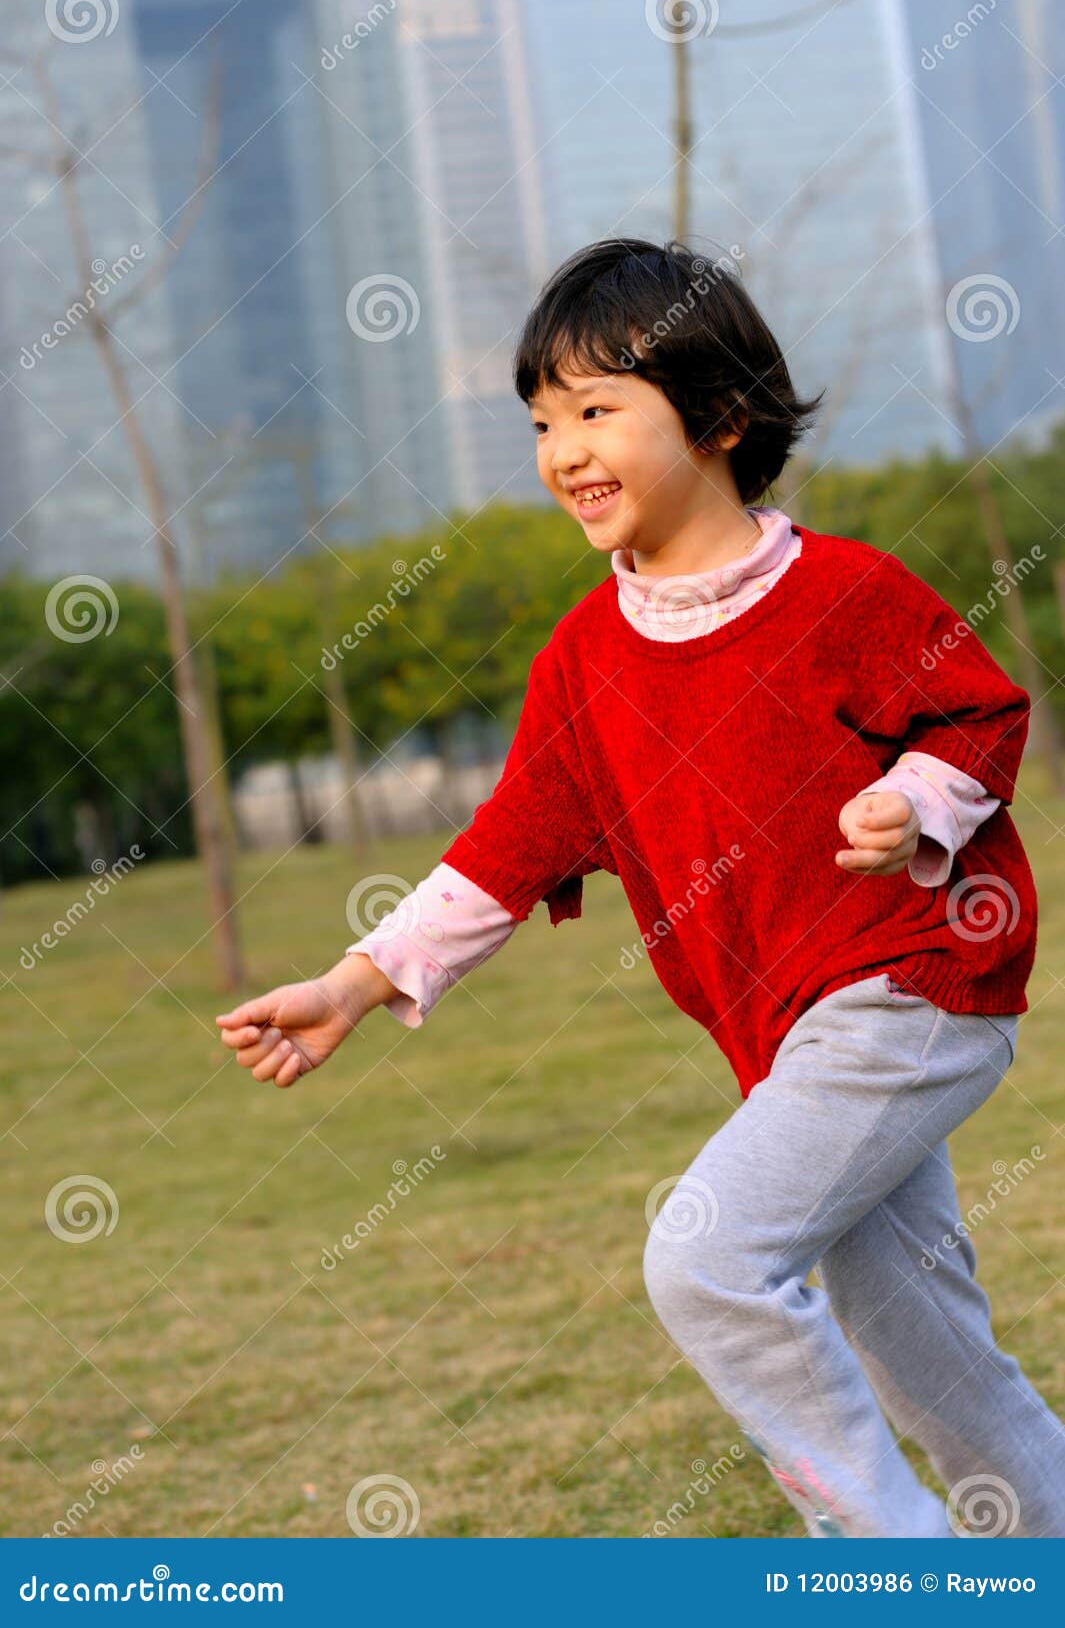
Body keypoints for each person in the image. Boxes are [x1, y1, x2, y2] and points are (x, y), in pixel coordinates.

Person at [216, 237, 1063, 1539]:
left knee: (707, 1257)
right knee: (914, 1332)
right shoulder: (582, 664)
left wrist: (917, 801)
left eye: (596, 409)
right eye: (541, 422)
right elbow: (506, 847)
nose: (563, 450)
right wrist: (354, 979)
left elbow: (976, 713)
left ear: (718, 418)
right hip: (787, 1035)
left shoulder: (842, 592)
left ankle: (892, 1563)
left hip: (916, 987)